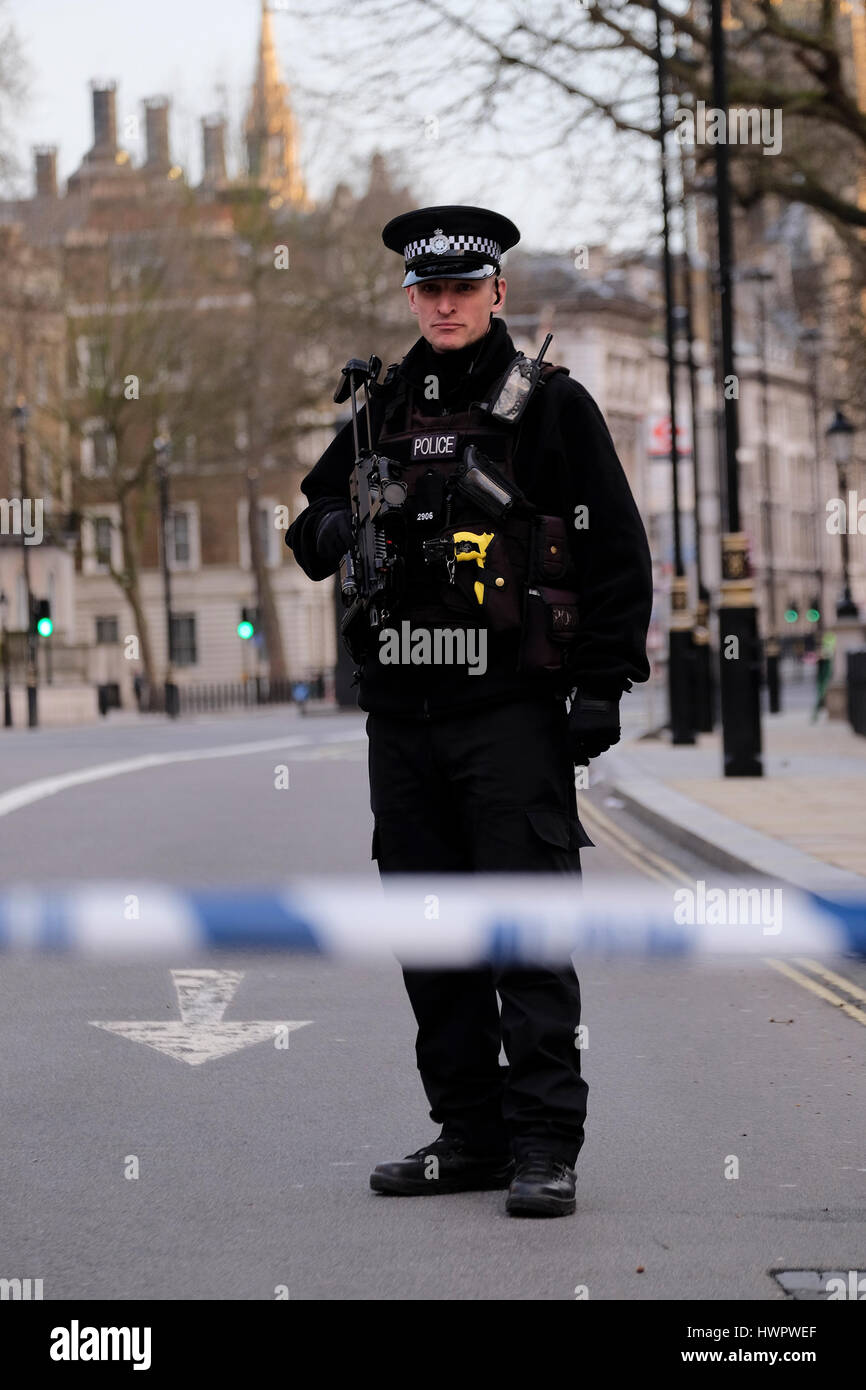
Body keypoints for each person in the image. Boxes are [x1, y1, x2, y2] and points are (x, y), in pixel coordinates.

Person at [286, 205, 652, 1217]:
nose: (443, 305)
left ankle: (543, 1144)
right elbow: (306, 524)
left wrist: (601, 685)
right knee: (433, 935)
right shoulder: (380, 405)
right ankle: (469, 1134)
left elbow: (614, 552)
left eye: (462, 288)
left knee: (526, 935)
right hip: (401, 709)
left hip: (510, 709)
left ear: (496, 293)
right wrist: (351, 522)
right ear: (409, 297)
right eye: (426, 290)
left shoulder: (547, 406)